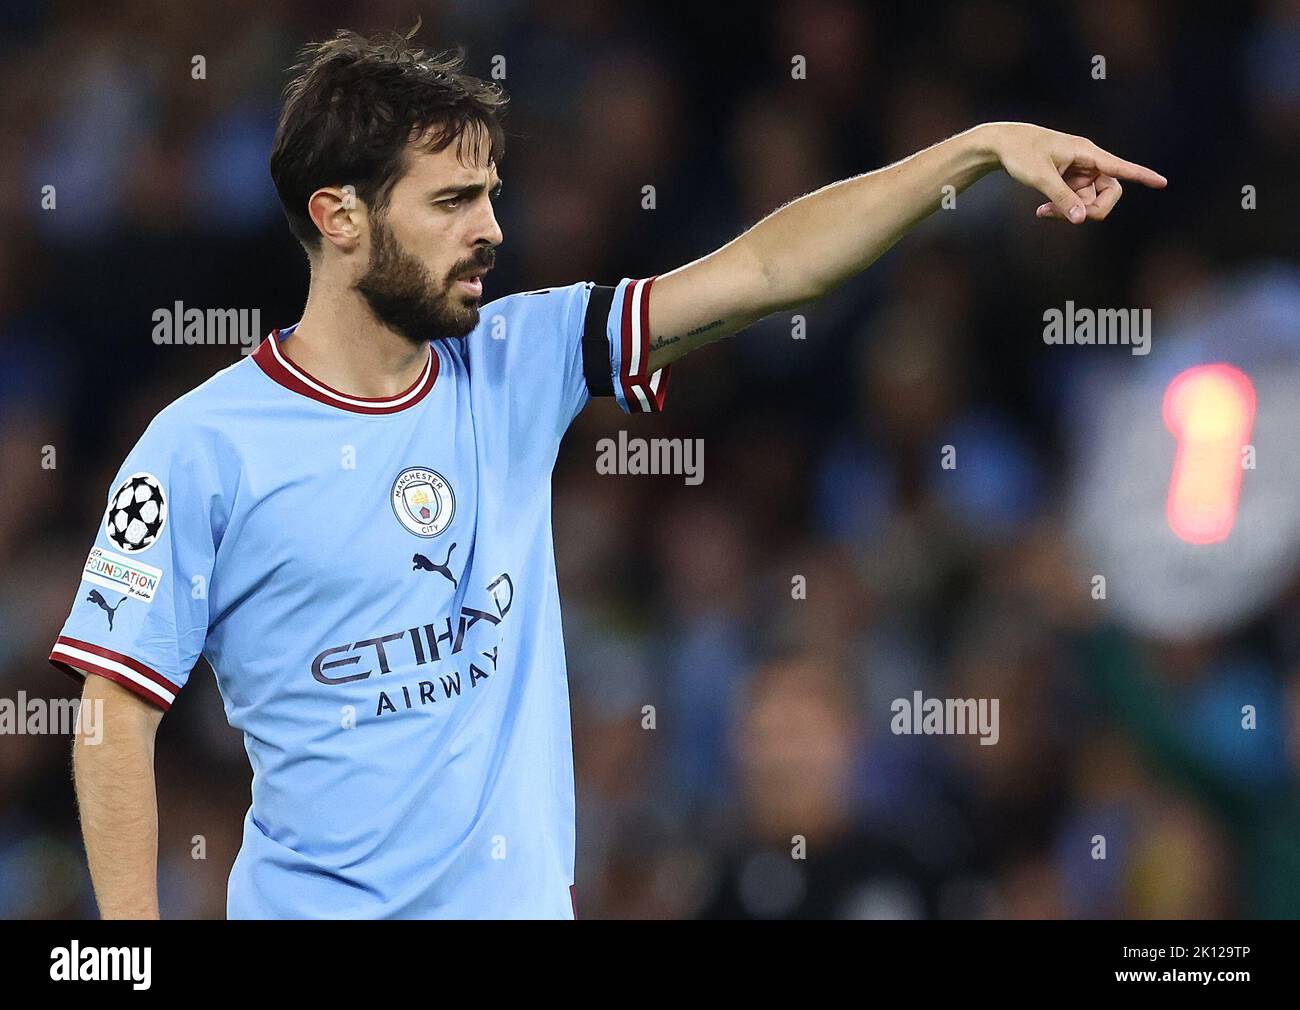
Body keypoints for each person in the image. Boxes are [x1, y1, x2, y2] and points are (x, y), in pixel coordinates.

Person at [51, 27, 1165, 919]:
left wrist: (968, 151)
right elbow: (113, 704)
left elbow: (769, 269)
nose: (491, 230)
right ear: (339, 217)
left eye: (490, 194)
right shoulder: (202, 447)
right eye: (451, 202)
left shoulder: (520, 356)